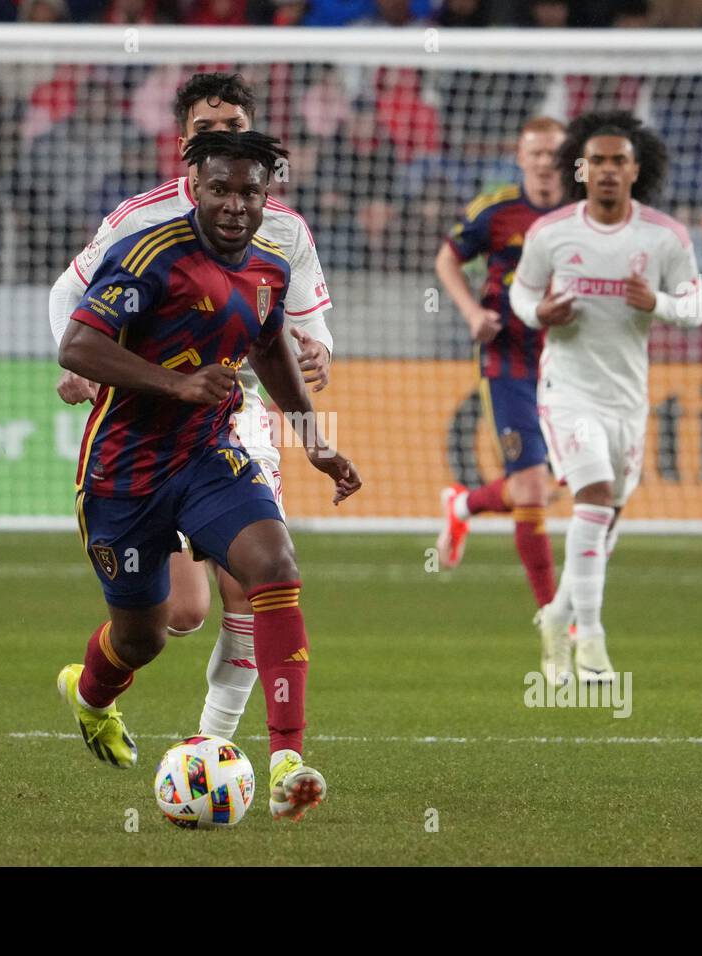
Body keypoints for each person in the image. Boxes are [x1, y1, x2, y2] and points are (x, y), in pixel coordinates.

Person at [56, 131, 361, 822]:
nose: (234, 205)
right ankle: (90, 697)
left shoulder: (269, 271)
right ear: (194, 186)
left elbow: (270, 347)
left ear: (266, 196)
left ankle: (287, 759)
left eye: (249, 192)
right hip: (124, 472)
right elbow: (78, 344)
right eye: (220, 189)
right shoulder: (150, 258)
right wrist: (175, 383)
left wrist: (314, 442)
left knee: (274, 564)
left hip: (208, 457)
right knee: (146, 635)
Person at [509, 111, 702, 684]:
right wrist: (541, 313)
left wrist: (658, 304)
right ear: (581, 168)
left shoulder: (664, 237)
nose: (608, 170)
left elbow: (695, 307)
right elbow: (522, 297)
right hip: (567, 390)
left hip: (627, 399)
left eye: (619, 160)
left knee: (605, 520)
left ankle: (555, 617)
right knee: (592, 495)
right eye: (597, 160)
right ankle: (589, 641)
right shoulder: (552, 233)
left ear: (636, 169)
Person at [435, 117, 566, 624]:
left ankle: (464, 505)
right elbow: (447, 260)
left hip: (567, 365)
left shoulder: (581, 215)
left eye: (553, 153)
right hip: (507, 358)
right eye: (535, 153)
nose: (543, 162)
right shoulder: (497, 210)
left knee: (545, 486)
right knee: (534, 490)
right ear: (521, 157)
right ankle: (556, 617)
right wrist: (472, 314)